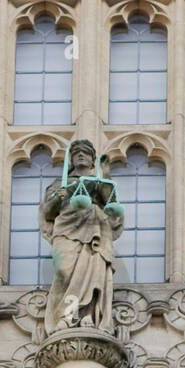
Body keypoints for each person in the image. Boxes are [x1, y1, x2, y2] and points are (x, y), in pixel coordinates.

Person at [39, 139, 124, 335]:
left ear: (92, 159)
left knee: (93, 271)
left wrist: (105, 176)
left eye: (85, 153)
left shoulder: (99, 180)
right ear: (71, 159)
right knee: (63, 271)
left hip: (95, 227)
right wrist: (61, 195)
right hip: (66, 228)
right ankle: (64, 314)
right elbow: (48, 213)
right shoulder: (60, 183)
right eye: (76, 152)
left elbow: (113, 207)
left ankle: (85, 315)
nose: (80, 155)